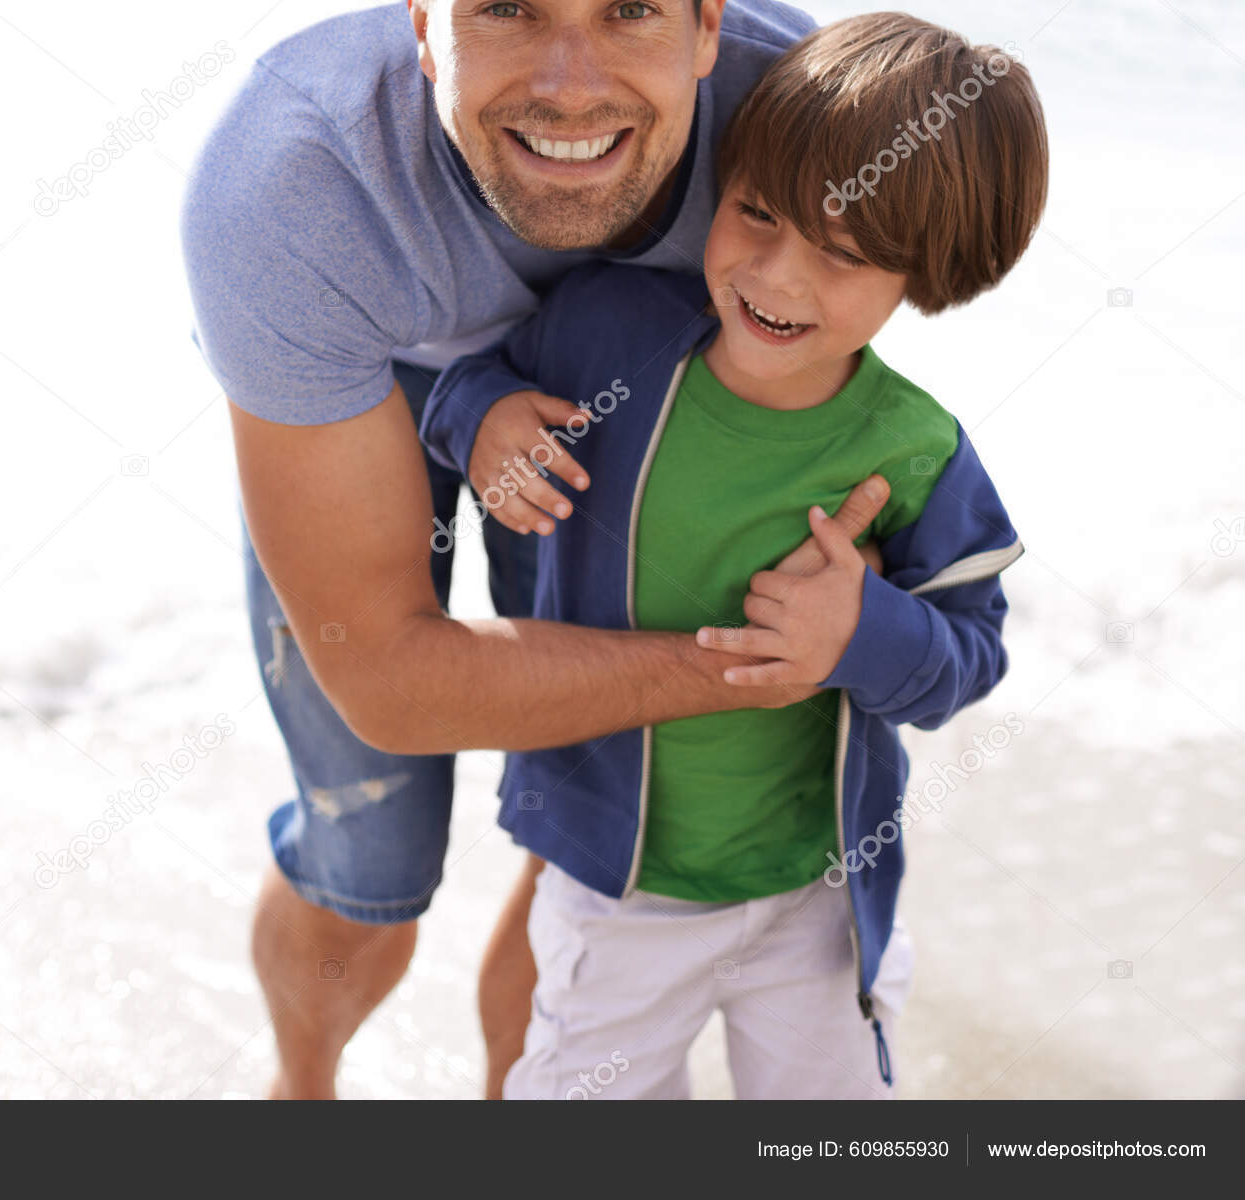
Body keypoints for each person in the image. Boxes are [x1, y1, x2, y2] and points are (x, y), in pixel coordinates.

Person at [180, 0, 909, 1100]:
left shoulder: (801, 116)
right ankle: (300, 1094)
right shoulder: (290, 180)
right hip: (364, 377)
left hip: (624, 388)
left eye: (629, 11)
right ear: (425, 23)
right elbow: (389, 679)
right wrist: (752, 666)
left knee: (586, 841)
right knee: (363, 864)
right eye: (509, 9)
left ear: (708, 27)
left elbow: (838, 363)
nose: (570, 83)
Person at [419, 11, 1048, 1098]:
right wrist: (480, 422)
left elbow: (969, 658)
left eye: (842, 255)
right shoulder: (608, 330)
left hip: (817, 896)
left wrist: (864, 631)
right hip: (617, 889)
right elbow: (460, 382)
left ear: (928, 271)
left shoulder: (914, 451)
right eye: (754, 211)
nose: (775, 274)